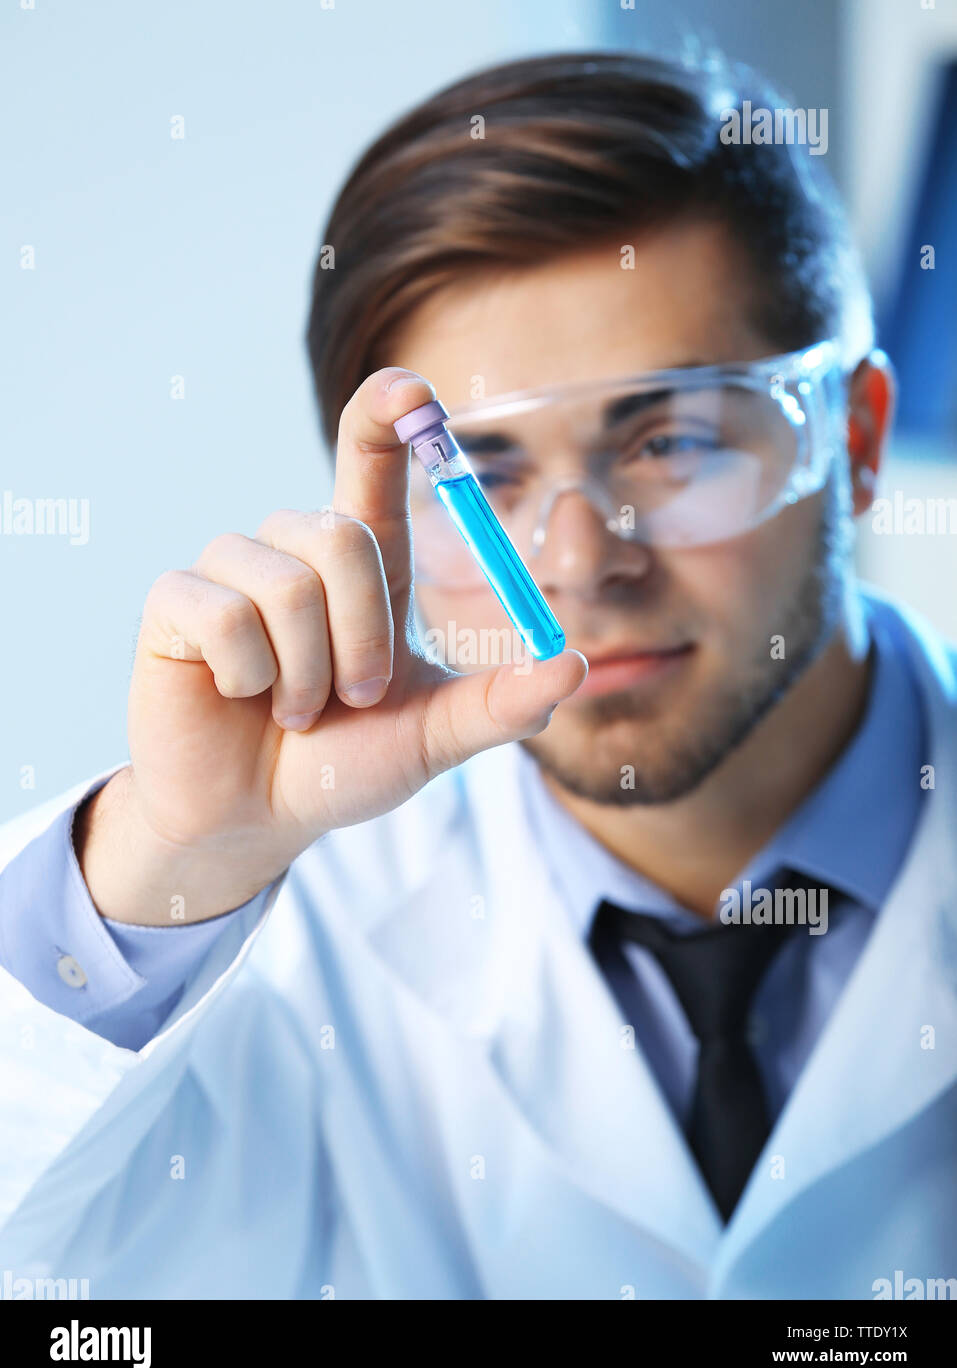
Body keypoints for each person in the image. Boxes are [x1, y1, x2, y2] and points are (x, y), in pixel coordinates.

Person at [1, 50, 954, 1302]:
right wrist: (166, 858)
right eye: (479, 477)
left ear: (859, 438)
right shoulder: (294, 951)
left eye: (670, 438)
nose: (574, 564)